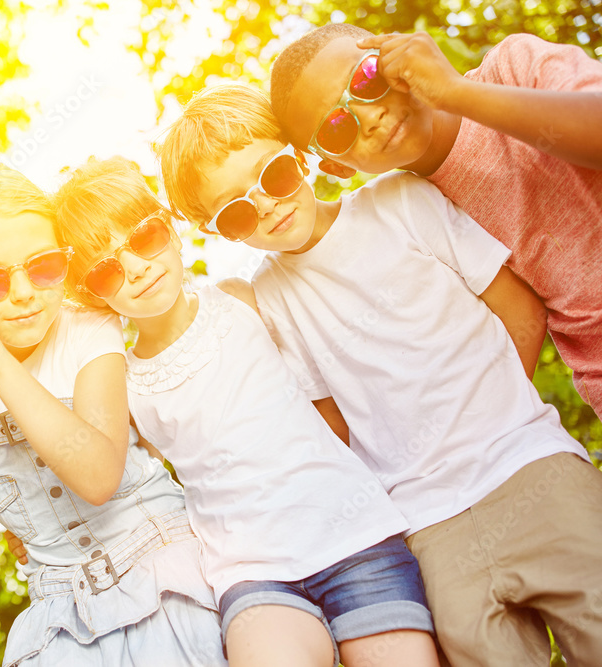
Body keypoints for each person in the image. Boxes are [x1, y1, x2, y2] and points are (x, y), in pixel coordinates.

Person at [158, 81, 602, 667]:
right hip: (428, 525)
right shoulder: (271, 299)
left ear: (301, 156)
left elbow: (518, 307)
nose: (265, 204)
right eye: (236, 210)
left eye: (273, 175)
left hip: (528, 462)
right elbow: (332, 424)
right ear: (219, 230)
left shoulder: (401, 203)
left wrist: (496, 418)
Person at [53, 155, 439, 667]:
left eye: (143, 238)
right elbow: (125, 484)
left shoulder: (241, 300)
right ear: (91, 295)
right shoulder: (125, 385)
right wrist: (41, 531)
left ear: (170, 228)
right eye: (106, 270)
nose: (136, 268)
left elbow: (326, 401)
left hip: (353, 534)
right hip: (253, 574)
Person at [0, 162, 225, 666]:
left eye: (43, 267)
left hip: (160, 564)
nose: (24, 292)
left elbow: (98, 476)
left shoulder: (87, 329)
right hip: (59, 605)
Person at [268, 23, 602, 419]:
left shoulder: (511, 69)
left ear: (397, 55)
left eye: (366, 79)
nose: (370, 117)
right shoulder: (412, 219)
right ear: (338, 167)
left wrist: (453, 92)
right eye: (336, 128)